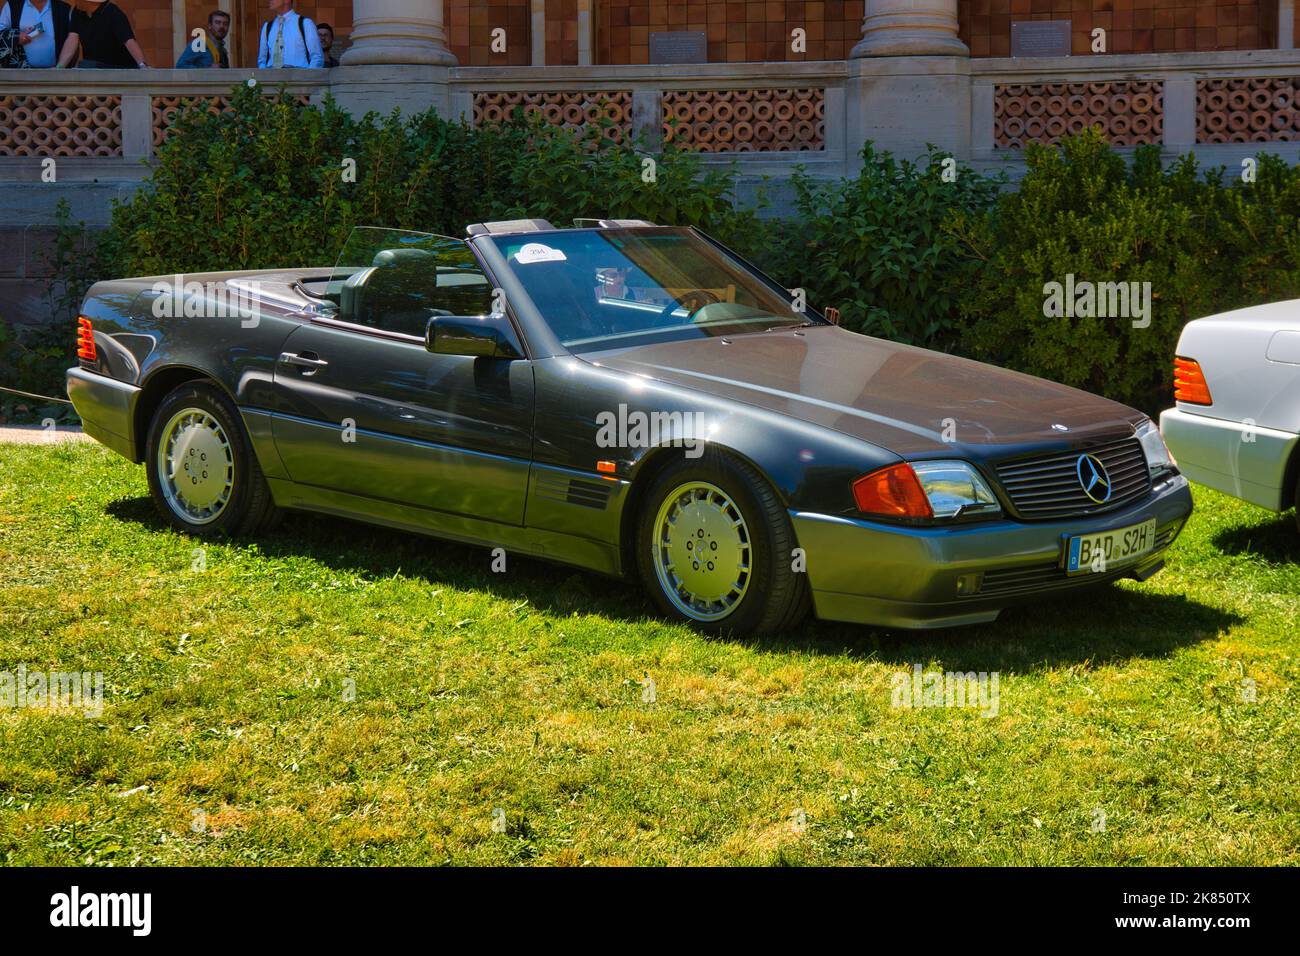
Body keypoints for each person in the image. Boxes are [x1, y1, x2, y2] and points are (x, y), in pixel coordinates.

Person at [57, 0, 146, 68]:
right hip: (94, 68)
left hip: (119, 69)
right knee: (85, 65)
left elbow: (129, 41)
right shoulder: (77, 12)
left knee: (86, 65)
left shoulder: (113, 13)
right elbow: (72, 40)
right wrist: (59, 68)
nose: (76, 1)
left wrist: (142, 65)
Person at [0, 0, 74, 68]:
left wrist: (59, 69)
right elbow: (1, 32)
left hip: (56, 74)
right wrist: (16, 37)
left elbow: (73, 39)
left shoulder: (64, 8)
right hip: (19, 73)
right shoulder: (12, 5)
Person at [256, 0, 322, 69]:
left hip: (299, 76)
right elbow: (262, 61)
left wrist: (306, 78)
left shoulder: (305, 24)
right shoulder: (267, 27)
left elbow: (317, 57)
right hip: (272, 76)